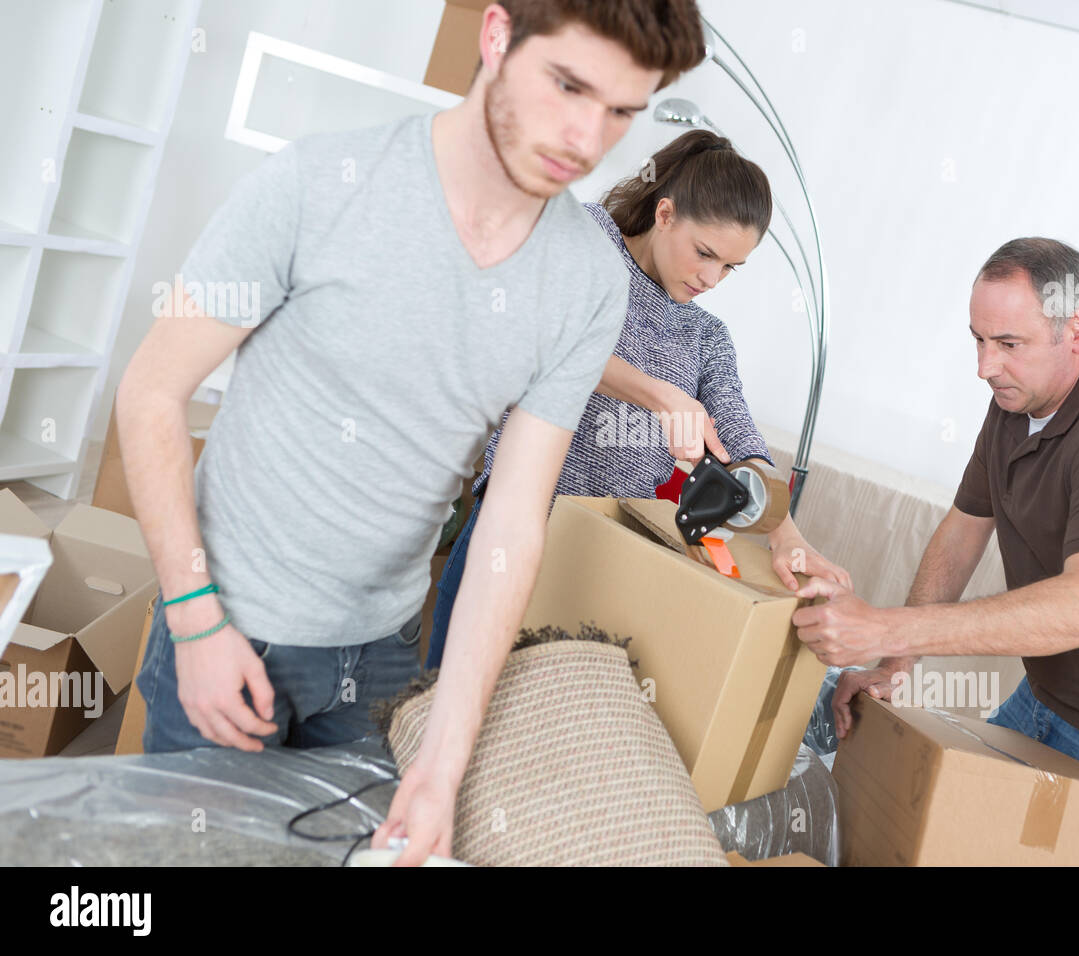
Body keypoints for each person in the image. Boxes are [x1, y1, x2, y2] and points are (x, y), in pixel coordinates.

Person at [115, 0, 707, 866]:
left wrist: (444, 760)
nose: (587, 137)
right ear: (498, 36)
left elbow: (512, 518)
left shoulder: (584, 281)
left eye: (620, 110)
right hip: (231, 626)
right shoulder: (320, 183)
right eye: (568, 85)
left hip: (385, 658)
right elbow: (151, 391)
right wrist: (197, 622)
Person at [794, 238, 1079, 860]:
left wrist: (883, 629)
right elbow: (964, 528)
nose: (984, 366)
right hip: (1048, 692)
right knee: (956, 846)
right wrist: (896, 661)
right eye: (978, 340)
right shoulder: (1016, 404)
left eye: (1008, 344)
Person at [426, 128, 851, 669]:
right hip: (514, 523)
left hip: (607, 553)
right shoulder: (583, 238)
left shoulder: (706, 337)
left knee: (534, 736)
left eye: (730, 268)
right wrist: (661, 396)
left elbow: (740, 439)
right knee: (443, 701)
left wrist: (784, 534)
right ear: (665, 214)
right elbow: (542, 337)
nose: (712, 278)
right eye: (705, 254)